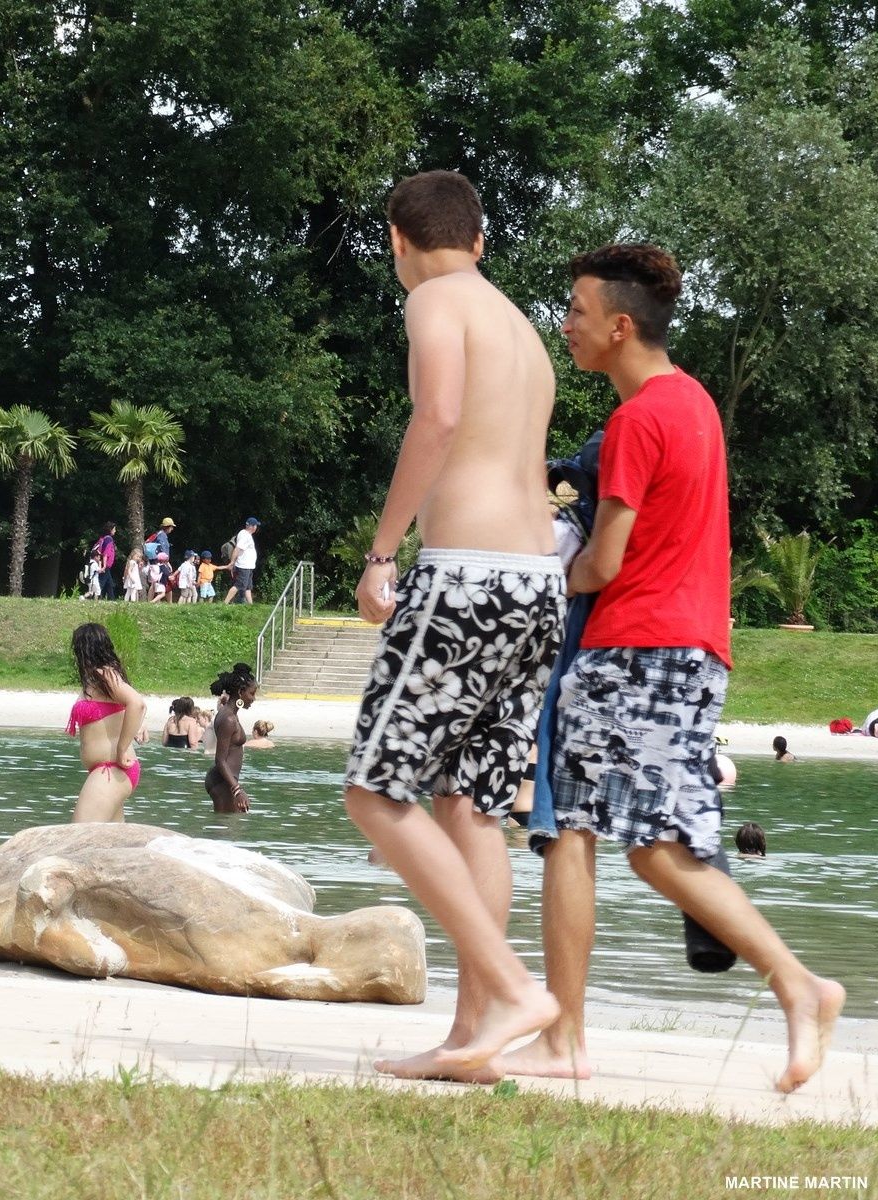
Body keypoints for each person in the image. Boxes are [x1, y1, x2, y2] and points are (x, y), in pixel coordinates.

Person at [503, 243, 842, 1095]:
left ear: (620, 326)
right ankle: (564, 1034)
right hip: (683, 649)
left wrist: (541, 569)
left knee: (644, 848)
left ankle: (798, 986)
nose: (566, 324)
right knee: (578, 833)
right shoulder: (693, 403)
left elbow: (605, 562)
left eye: (577, 310)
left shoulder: (636, 420)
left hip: (637, 647)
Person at [342, 170, 567, 1082]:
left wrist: (381, 551)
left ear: (399, 241)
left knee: (375, 791)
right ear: (480, 238)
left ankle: (511, 988)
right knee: (472, 807)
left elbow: (434, 418)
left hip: (466, 577)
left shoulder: (436, 302)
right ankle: (473, 1039)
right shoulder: (524, 328)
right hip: (536, 582)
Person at [65, 622, 147, 822]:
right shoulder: (96, 680)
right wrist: (137, 724)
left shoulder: (103, 674)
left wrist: (122, 748)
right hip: (108, 771)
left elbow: (137, 703)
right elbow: (125, 705)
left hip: (112, 769)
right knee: (111, 845)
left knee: (79, 836)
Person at [206, 663, 257, 813]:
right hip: (223, 783)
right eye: (252, 693)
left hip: (226, 782)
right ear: (241, 692)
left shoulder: (230, 713)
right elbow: (220, 760)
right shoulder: (228, 718)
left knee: (231, 828)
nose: (254, 699)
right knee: (225, 831)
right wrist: (237, 790)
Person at [223, 518, 261, 604]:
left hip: (248, 566)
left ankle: (251, 605)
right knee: (239, 585)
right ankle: (225, 603)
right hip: (244, 566)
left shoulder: (246, 534)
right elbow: (237, 549)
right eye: (256, 525)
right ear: (252, 526)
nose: (256, 527)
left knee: (248, 587)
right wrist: (232, 562)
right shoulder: (245, 535)